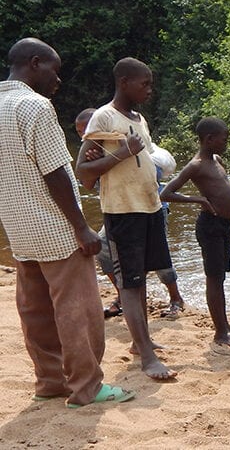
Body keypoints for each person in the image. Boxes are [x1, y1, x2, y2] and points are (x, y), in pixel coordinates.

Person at [0, 38, 134, 407]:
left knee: (34, 309)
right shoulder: (36, 106)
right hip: (54, 227)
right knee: (78, 310)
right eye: (54, 71)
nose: (58, 79)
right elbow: (56, 173)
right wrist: (80, 227)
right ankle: (87, 387)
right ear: (35, 63)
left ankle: (49, 382)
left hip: (17, 227)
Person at [76, 57, 177, 381]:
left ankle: (140, 343)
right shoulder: (104, 117)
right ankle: (147, 358)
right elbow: (84, 173)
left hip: (148, 208)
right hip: (123, 211)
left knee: (141, 278)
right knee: (130, 286)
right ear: (124, 83)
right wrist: (122, 152)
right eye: (144, 83)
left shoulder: (138, 118)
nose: (149, 89)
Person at [75, 108, 186, 320]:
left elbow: (151, 172)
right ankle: (123, 297)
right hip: (118, 210)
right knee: (103, 249)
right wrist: (94, 165)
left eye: (86, 130)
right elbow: (87, 184)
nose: (84, 136)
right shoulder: (93, 154)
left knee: (157, 256)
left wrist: (116, 155)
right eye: (80, 132)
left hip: (149, 206)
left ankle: (175, 298)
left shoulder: (121, 144)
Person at [160, 117, 230, 349]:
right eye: (224, 138)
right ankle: (220, 333)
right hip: (209, 226)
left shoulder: (217, 160)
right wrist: (198, 198)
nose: (226, 142)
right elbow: (166, 193)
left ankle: (225, 325)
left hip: (223, 225)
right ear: (209, 139)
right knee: (213, 278)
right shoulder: (196, 165)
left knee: (220, 277)